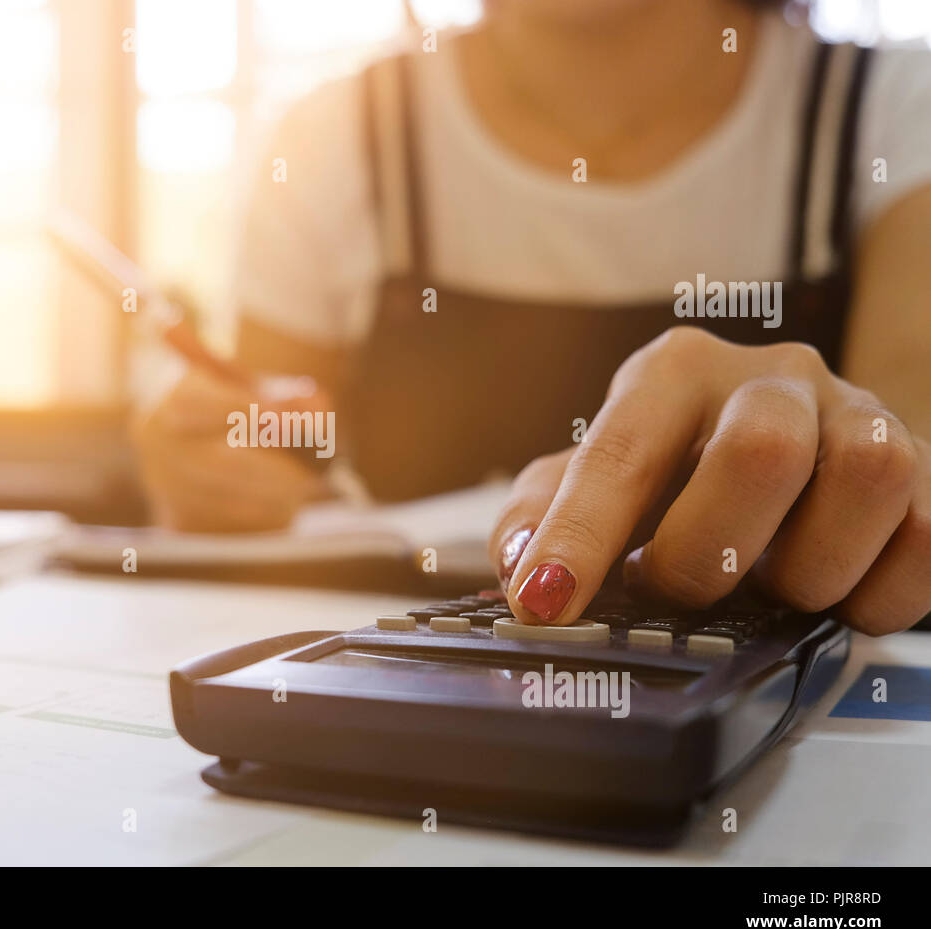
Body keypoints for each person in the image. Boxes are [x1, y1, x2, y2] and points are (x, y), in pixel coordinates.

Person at [133, 0, 931, 636]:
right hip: (402, 694)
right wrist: (217, 474)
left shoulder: (893, 111)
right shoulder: (328, 137)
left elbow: (913, 447)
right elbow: (273, 450)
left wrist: (860, 458)